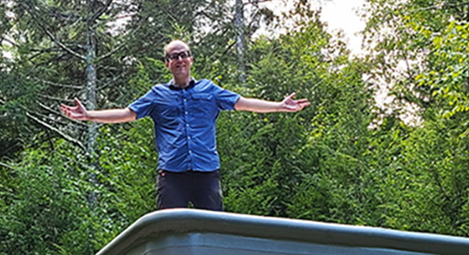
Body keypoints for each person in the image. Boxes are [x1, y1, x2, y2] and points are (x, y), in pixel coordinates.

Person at [61, 39, 309, 211]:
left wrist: (278, 105)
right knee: (169, 232)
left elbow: (243, 103)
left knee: (212, 230)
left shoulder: (210, 90)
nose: (179, 59)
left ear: (190, 60)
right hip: (172, 175)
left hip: (206, 172)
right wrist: (89, 115)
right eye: (173, 57)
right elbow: (127, 113)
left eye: (183, 55)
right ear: (167, 64)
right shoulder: (157, 94)